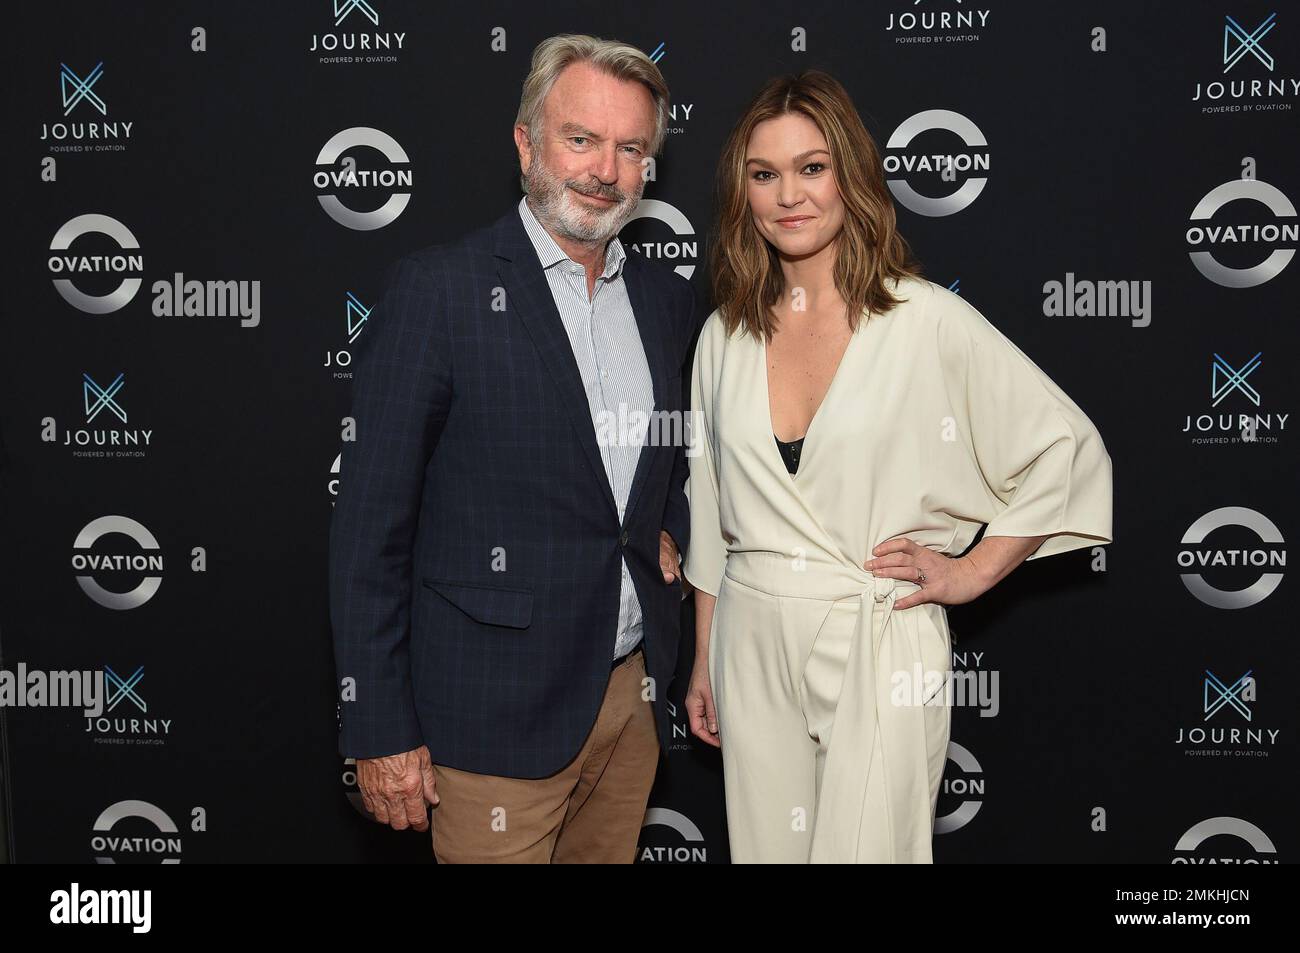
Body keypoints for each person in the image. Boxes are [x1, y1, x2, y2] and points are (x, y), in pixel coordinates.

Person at [681, 71, 1113, 863]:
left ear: (851, 174)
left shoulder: (923, 321)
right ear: (742, 192)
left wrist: (974, 569)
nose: (790, 196)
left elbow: (1065, 446)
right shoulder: (724, 336)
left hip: (876, 628)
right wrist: (705, 655)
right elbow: (710, 504)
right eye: (764, 173)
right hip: (750, 637)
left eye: (812, 168)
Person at [329, 34, 699, 863]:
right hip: (490, 722)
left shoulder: (667, 302)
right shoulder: (441, 292)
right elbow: (368, 531)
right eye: (580, 139)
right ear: (527, 143)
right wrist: (379, 727)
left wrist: (665, 525)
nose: (604, 168)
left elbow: (673, 458)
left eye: (629, 147)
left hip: (628, 702)